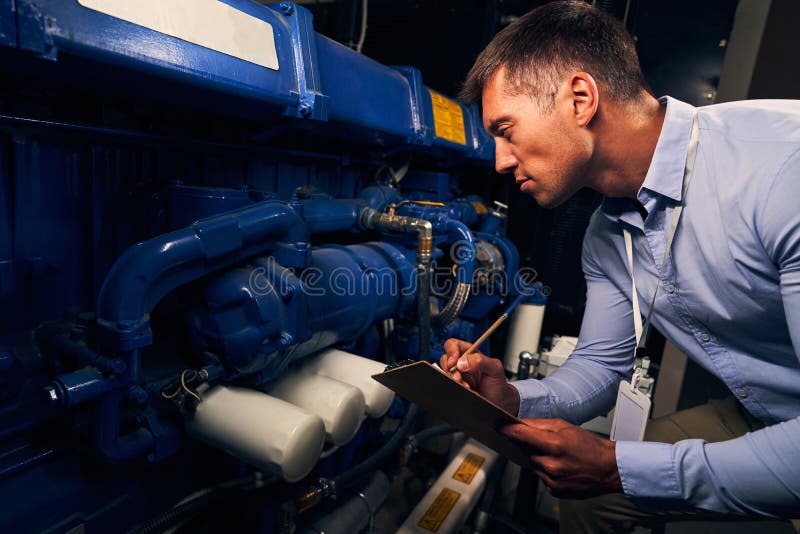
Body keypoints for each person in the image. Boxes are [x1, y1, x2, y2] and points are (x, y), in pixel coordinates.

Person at [439, 1, 800, 532]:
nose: (499, 160)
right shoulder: (606, 234)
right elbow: (601, 369)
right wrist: (514, 397)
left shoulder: (780, 171)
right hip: (765, 408)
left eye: (506, 129)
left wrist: (616, 468)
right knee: (586, 498)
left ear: (580, 99)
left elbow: (619, 467)